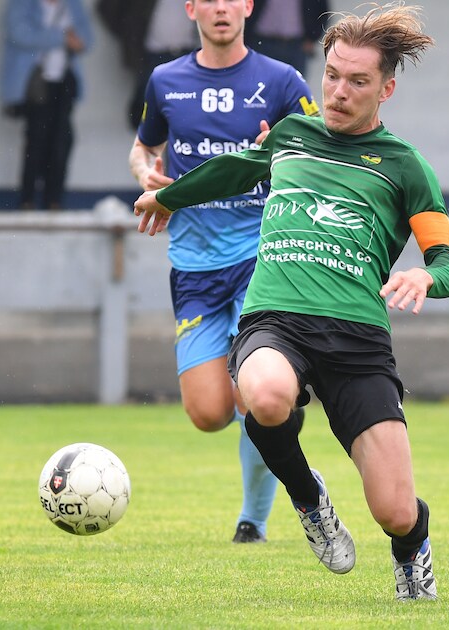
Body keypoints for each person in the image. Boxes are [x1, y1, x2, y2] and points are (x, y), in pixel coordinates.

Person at [135, 3, 449, 600]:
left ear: (386, 88)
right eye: (333, 74)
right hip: (275, 321)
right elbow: (236, 170)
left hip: (358, 342)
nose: (339, 91)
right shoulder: (292, 135)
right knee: (262, 393)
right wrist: (170, 198)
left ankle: (412, 551)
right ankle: (308, 498)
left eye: (358, 81)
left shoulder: (405, 166)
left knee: (393, 510)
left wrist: (424, 278)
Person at [127, 0, 320, 546]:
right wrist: (150, 175)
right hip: (192, 268)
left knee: (251, 399)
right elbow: (144, 148)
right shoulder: (165, 81)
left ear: (247, 7)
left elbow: (319, 147)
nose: (219, 8)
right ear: (190, 8)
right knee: (209, 413)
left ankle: (253, 521)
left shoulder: (280, 80)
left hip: (260, 262)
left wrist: (276, 149)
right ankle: (282, 434)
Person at [1, 0, 93, 210]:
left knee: (62, 140)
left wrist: (70, 40)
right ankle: (28, 198)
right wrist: (61, 37)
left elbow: (86, 39)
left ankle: (54, 199)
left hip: (64, 81)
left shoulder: (72, 5)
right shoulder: (23, 4)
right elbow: (19, 33)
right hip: (36, 83)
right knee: (36, 139)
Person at [97, 0, 197, 130]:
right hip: (154, 53)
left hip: (186, 51)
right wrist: (128, 33)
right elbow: (108, 8)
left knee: (186, 105)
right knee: (146, 102)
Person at [245, 0, 329, 77]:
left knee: (293, 88)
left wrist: (312, 38)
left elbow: (323, 10)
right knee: (259, 84)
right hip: (261, 42)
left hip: (296, 45)